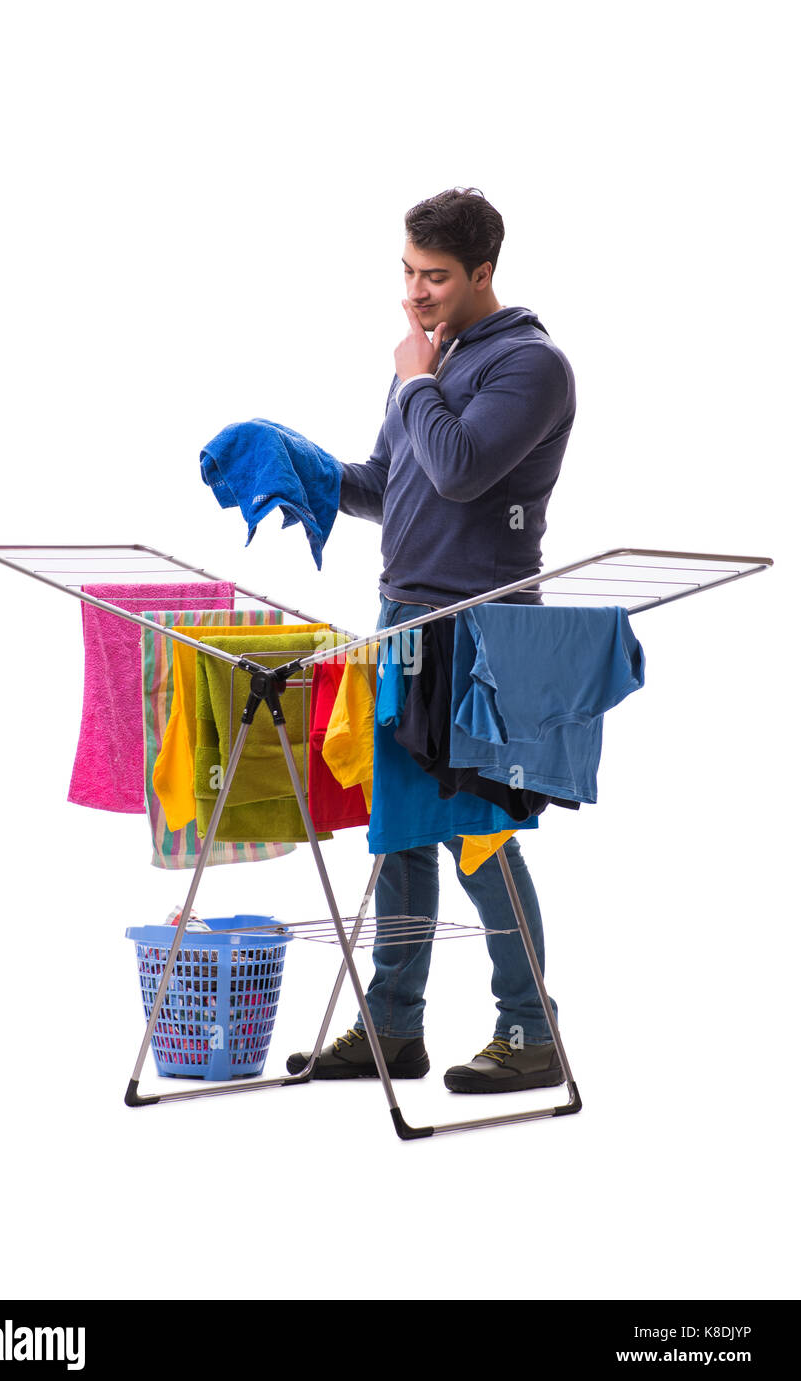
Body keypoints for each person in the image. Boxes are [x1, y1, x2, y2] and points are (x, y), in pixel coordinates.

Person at [286, 187, 576, 1093]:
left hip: (479, 631)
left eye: (435, 277)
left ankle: (531, 1034)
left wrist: (416, 377)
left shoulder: (530, 367)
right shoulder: (430, 358)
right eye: (407, 272)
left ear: (482, 272)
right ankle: (392, 1028)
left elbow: (455, 474)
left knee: (477, 829)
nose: (414, 293)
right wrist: (306, 469)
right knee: (399, 830)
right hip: (405, 620)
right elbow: (388, 483)